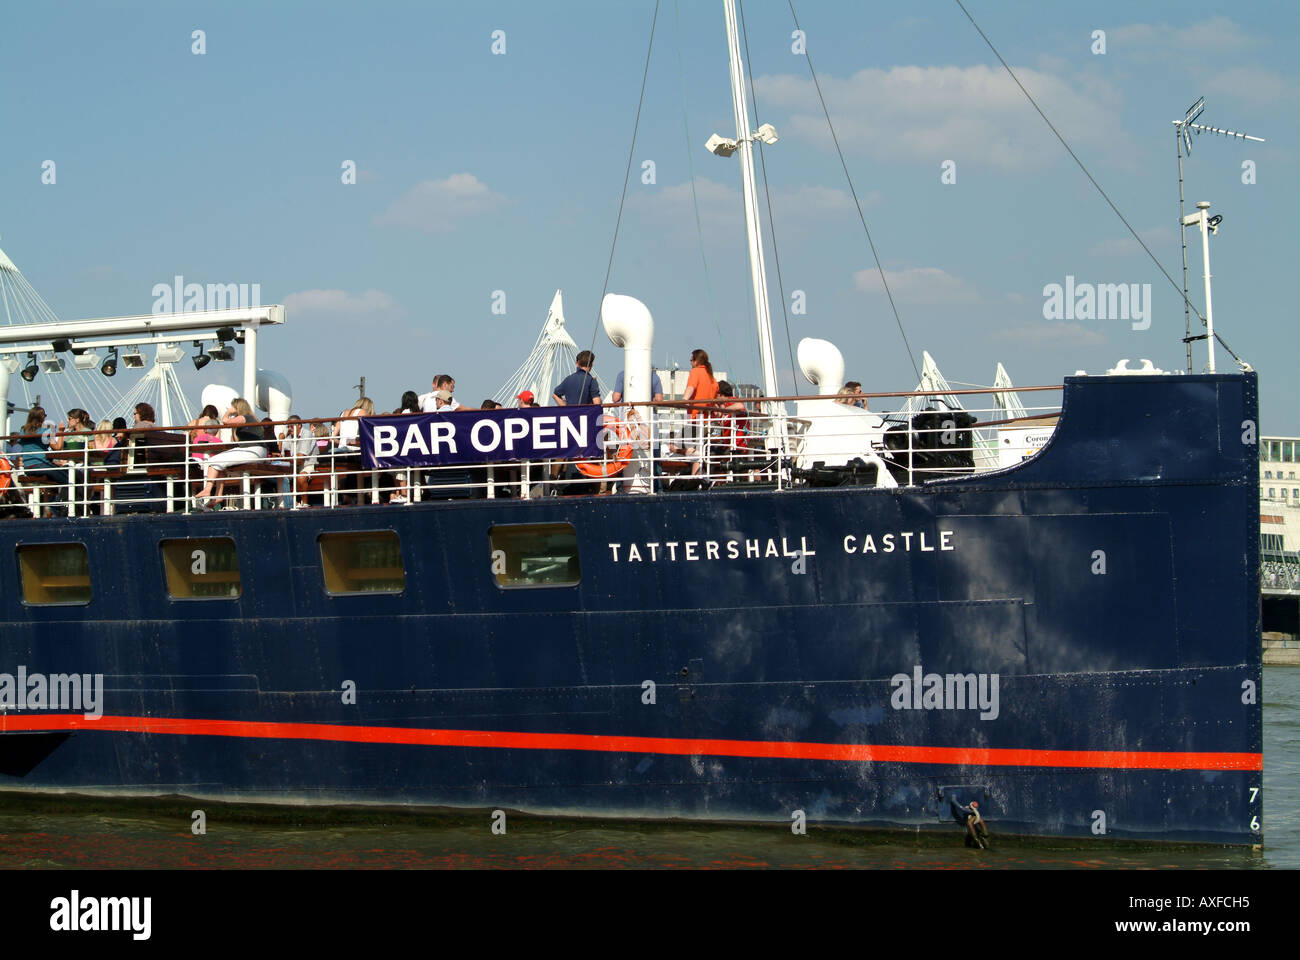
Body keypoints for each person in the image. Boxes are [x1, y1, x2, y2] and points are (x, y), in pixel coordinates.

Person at [193, 398, 267, 510]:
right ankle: (218, 496)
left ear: (238, 407)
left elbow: (225, 421)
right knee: (220, 464)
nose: (231, 409)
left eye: (233, 407)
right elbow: (236, 438)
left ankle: (207, 490)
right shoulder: (248, 419)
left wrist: (228, 412)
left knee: (213, 460)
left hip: (253, 450)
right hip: (254, 450)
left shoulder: (245, 417)